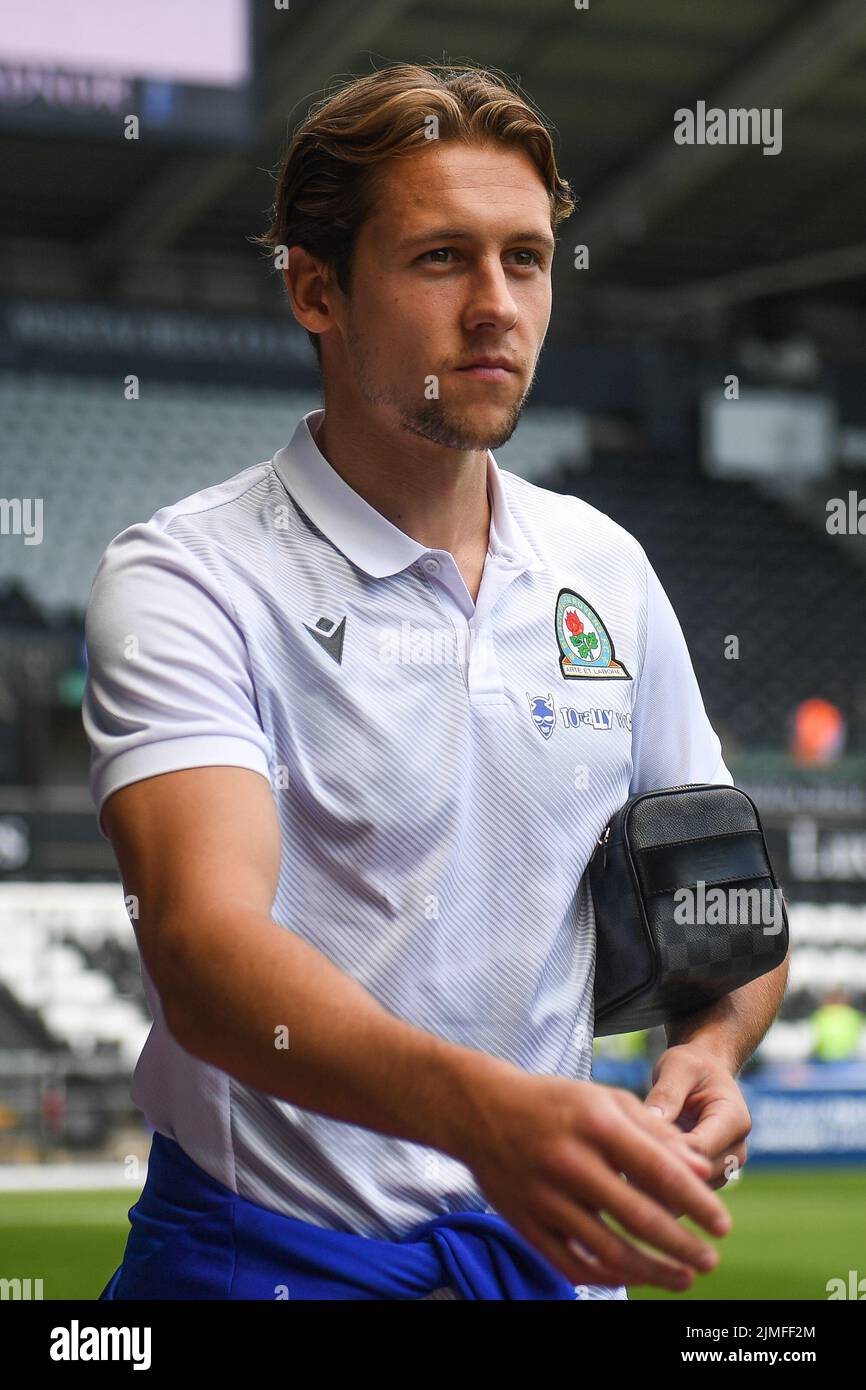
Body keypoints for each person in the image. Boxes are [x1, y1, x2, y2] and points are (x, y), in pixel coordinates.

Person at [82, 61, 788, 1301]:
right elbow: (203, 946)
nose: (494, 306)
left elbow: (716, 902)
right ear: (316, 289)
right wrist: (492, 1118)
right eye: (438, 259)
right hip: (268, 1264)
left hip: (549, 1263)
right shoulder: (188, 577)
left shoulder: (601, 569)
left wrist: (710, 1046)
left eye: (524, 259)